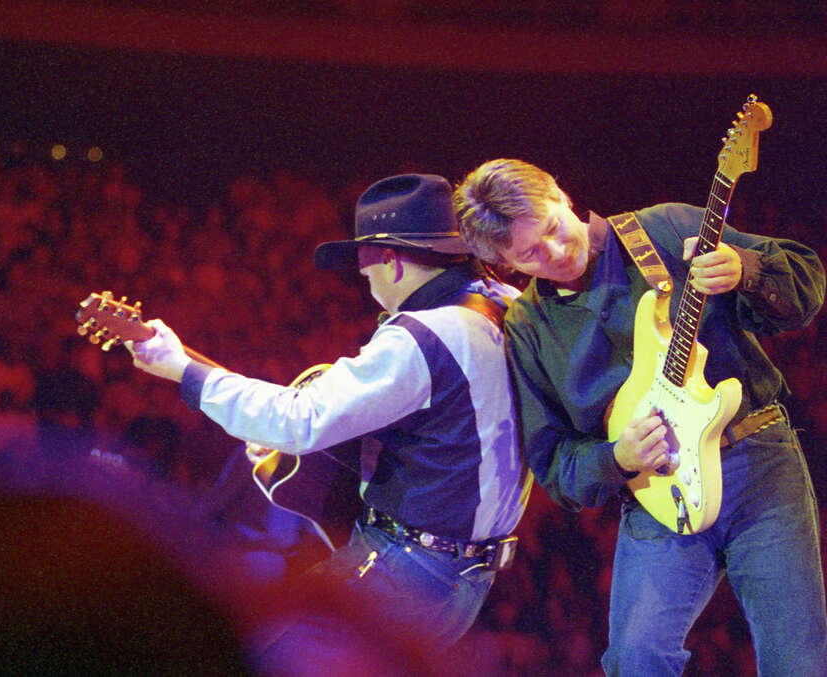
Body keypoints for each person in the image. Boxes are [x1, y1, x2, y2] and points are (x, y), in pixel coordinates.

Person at [454, 158, 827, 676]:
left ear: (561, 195)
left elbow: (806, 283)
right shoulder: (528, 327)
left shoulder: (666, 227)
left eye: (552, 227)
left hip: (756, 463)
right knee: (635, 657)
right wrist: (617, 457)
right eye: (530, 254)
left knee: (796, 658)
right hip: (656, 493)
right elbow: (554, 462)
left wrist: (744, 268)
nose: (556, 251)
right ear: (505, 263)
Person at [125, 173, 529, 659]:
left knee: (258, 654)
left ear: (390, 261)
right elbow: (452, 429)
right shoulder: (507, 306)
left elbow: (298, 421)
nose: (366, 282)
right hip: (465, 577)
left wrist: (182, 370)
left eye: (366, 269)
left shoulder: (422, 337)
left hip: (405, 570)